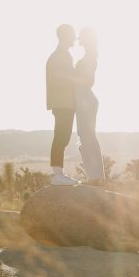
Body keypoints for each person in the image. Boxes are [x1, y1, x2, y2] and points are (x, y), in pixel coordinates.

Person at [46, 24, 79, 185]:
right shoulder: (59, 56)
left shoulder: (63, 55)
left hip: (66, 102)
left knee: (63, 137)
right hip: (62, 102)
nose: (74, 39)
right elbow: (55, 78)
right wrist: (73, 79)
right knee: (60, 136)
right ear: (65, 37)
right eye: (72, 36)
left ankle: (58, 173)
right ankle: (57, 175)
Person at [74, 28, 106, 183]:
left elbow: (88, 81)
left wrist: (69, 78)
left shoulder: (89, 58)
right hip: (85, 99)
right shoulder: (90, 56)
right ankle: (95, 176)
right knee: (86, 137)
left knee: (87, 137)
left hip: (85, 99)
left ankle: (96, 176)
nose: (79, 40)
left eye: (81, 38)